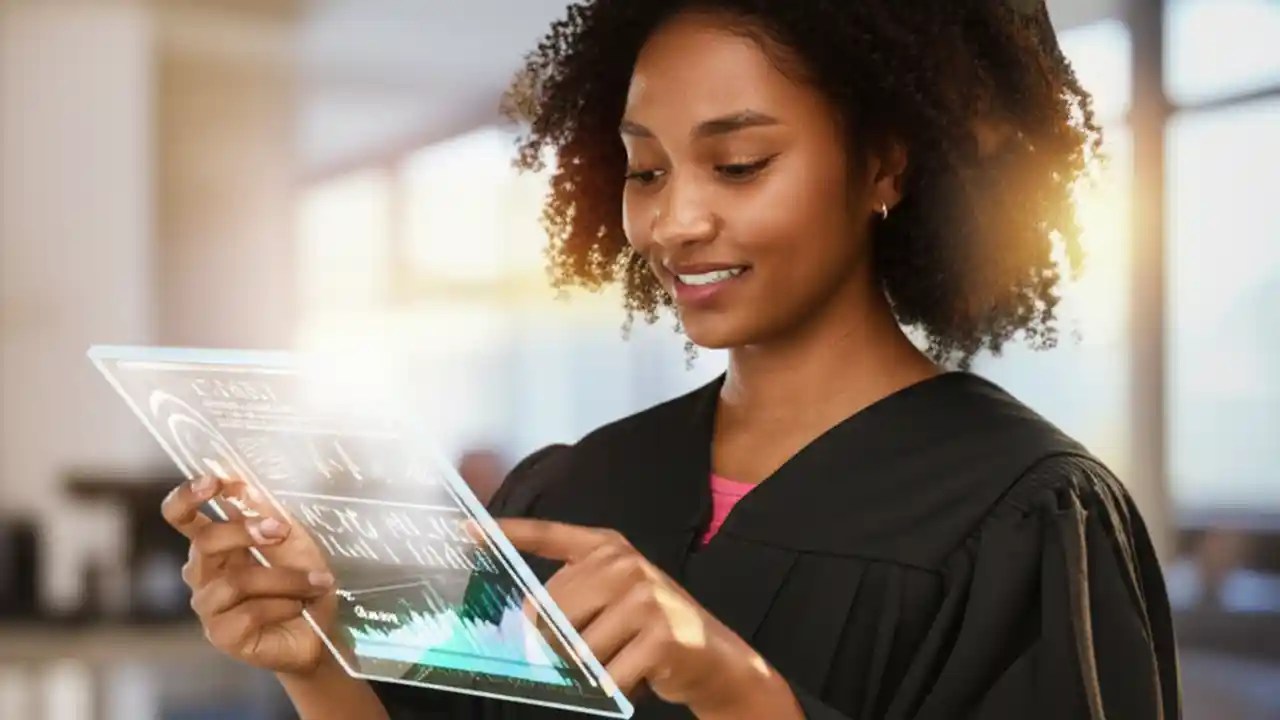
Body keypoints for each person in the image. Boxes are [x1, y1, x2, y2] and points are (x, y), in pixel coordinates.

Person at [160, 1, 1182, 718]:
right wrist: (315, 663)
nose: (675, 218)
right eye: (645, 168)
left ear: (884, 162)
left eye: (739, 165)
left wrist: (738, 692)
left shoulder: (1023, 515)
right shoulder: (572, 486)